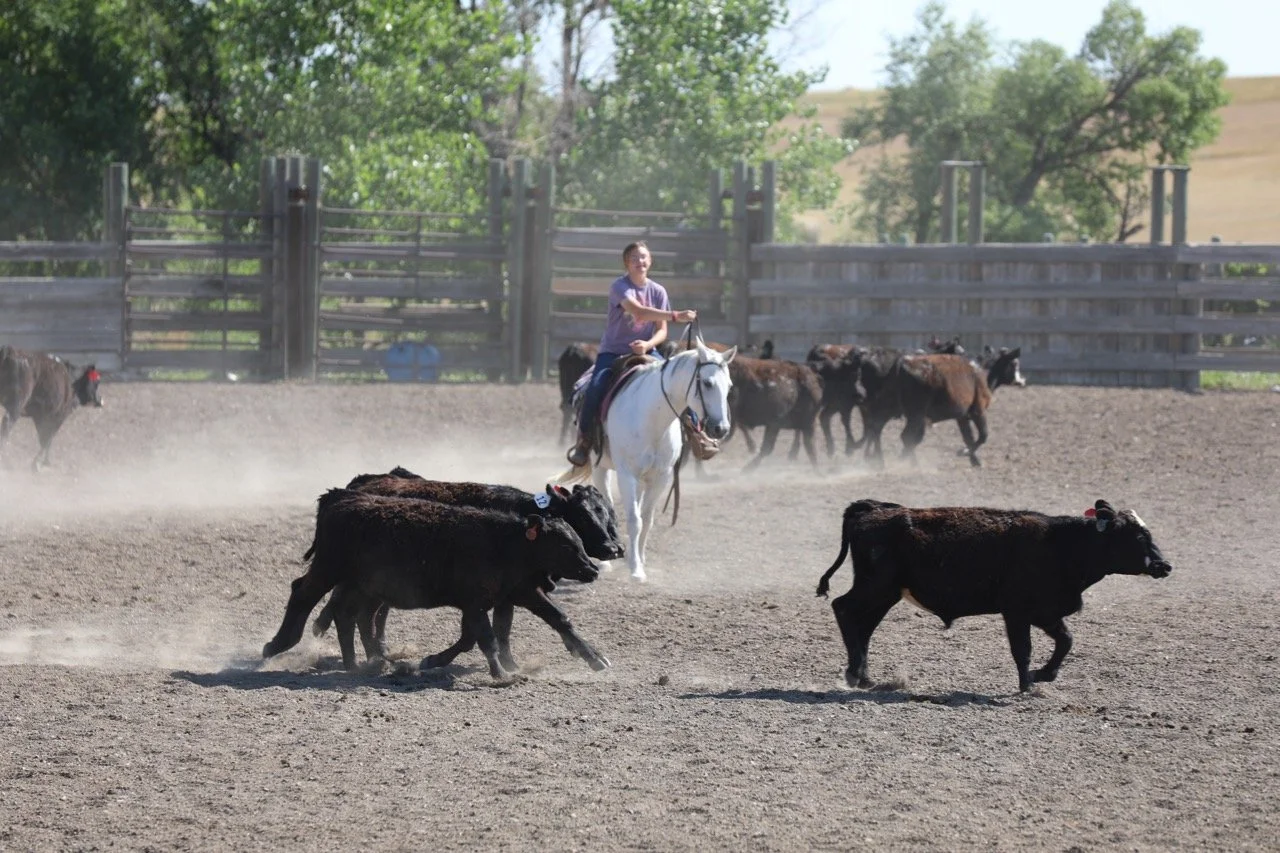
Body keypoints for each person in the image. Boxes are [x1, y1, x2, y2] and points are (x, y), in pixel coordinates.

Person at [566, 241, 698, 467]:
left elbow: (661, 330)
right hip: (613, 352)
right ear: (626, 263)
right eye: (635, 258)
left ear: (651, 261)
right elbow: (638, 311)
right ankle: (584, 442)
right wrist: (676, 315)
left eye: (644, 257)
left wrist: (647, 345)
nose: (640, 262)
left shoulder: (658, 291)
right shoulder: (620, 287)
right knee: (596, 388)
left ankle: (697, 434)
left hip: (647, 351)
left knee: (676, 384)